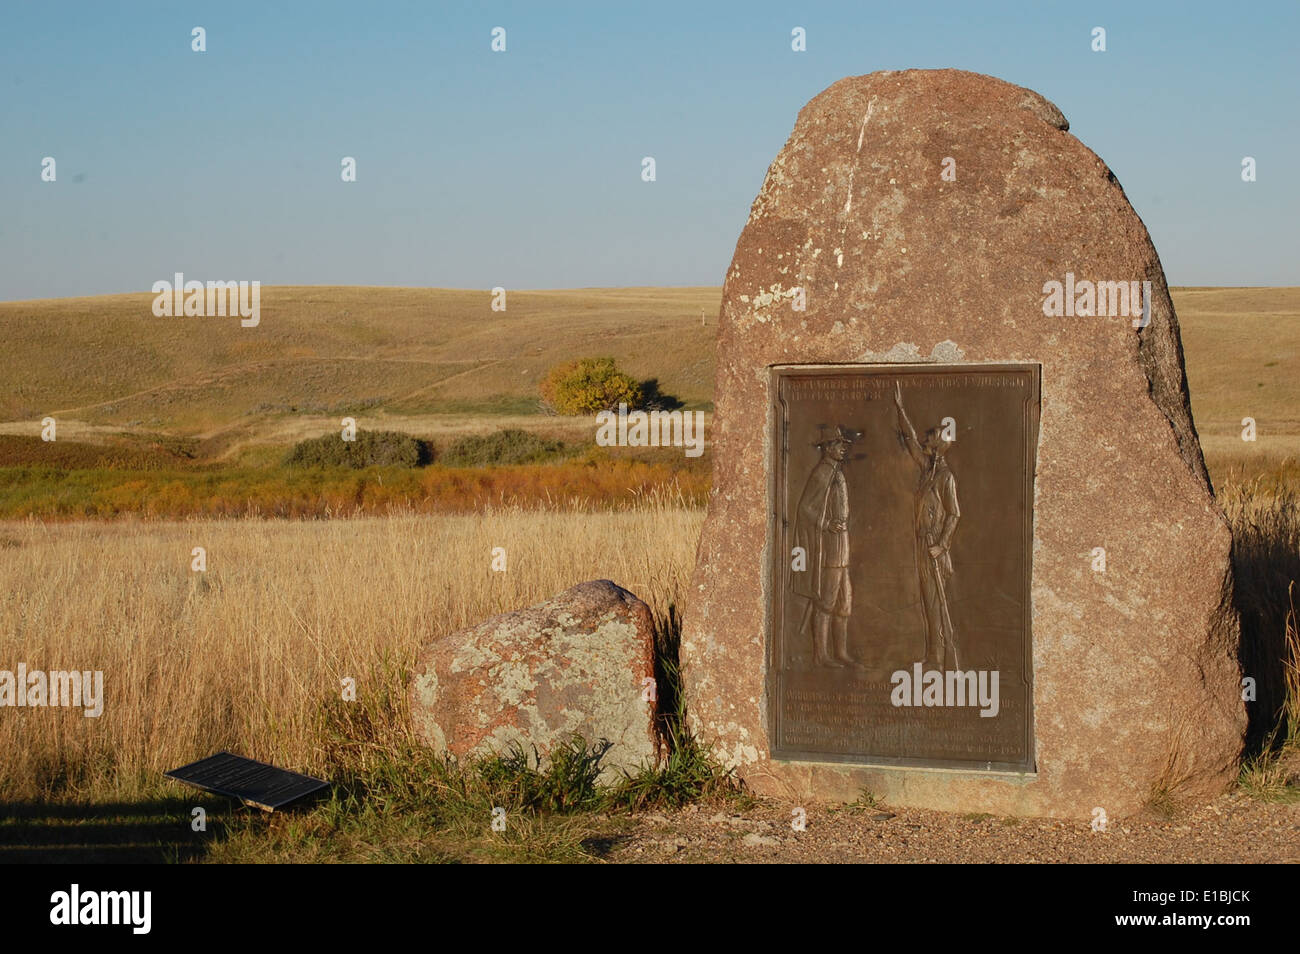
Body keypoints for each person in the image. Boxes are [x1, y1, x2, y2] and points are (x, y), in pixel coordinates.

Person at [894, 382, 960, 671]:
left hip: (934, 547)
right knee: (928, 603)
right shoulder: (926, 471)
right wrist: (900, 409)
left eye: (930, 437)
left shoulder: (945, 477)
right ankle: (934, 656)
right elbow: (909, 440)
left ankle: (946, 658)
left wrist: (941, 545)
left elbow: (954, 514)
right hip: (922, 543)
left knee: (938, 604)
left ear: (939, 445)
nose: (924, 439)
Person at [791, 424, 862, 668]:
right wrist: (826, 523)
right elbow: (805, 509)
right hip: (829, 549)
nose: (843, 448)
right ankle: (821, 655)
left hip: (842, 547)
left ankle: (840, 652)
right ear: (828, 448)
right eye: (839, 444)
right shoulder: (822, 473)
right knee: (826, 602)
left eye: (844, 444)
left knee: (845, 603)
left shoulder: (837, 473)